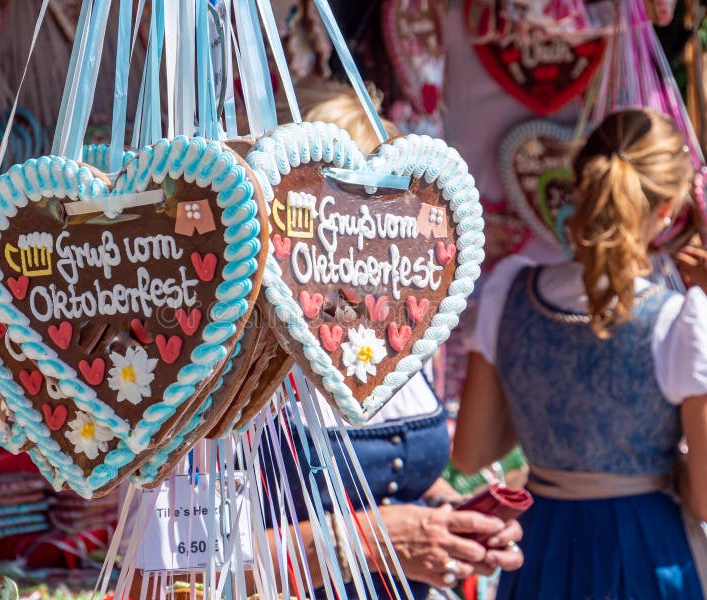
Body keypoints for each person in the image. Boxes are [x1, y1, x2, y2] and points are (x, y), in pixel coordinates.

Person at [257, 83, 524, 600]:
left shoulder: (397, 334)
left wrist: (460, 524)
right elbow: (197, 559)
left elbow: (407, 488)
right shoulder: (248, 370)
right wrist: (374, 541)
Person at [453, 108, 707, 599]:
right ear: (668, 210)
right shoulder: (681, 322)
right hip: (642, 549)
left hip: (544, 541)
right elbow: (705, 499)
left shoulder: (510, 292)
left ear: (579, 186)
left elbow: (471, 453)